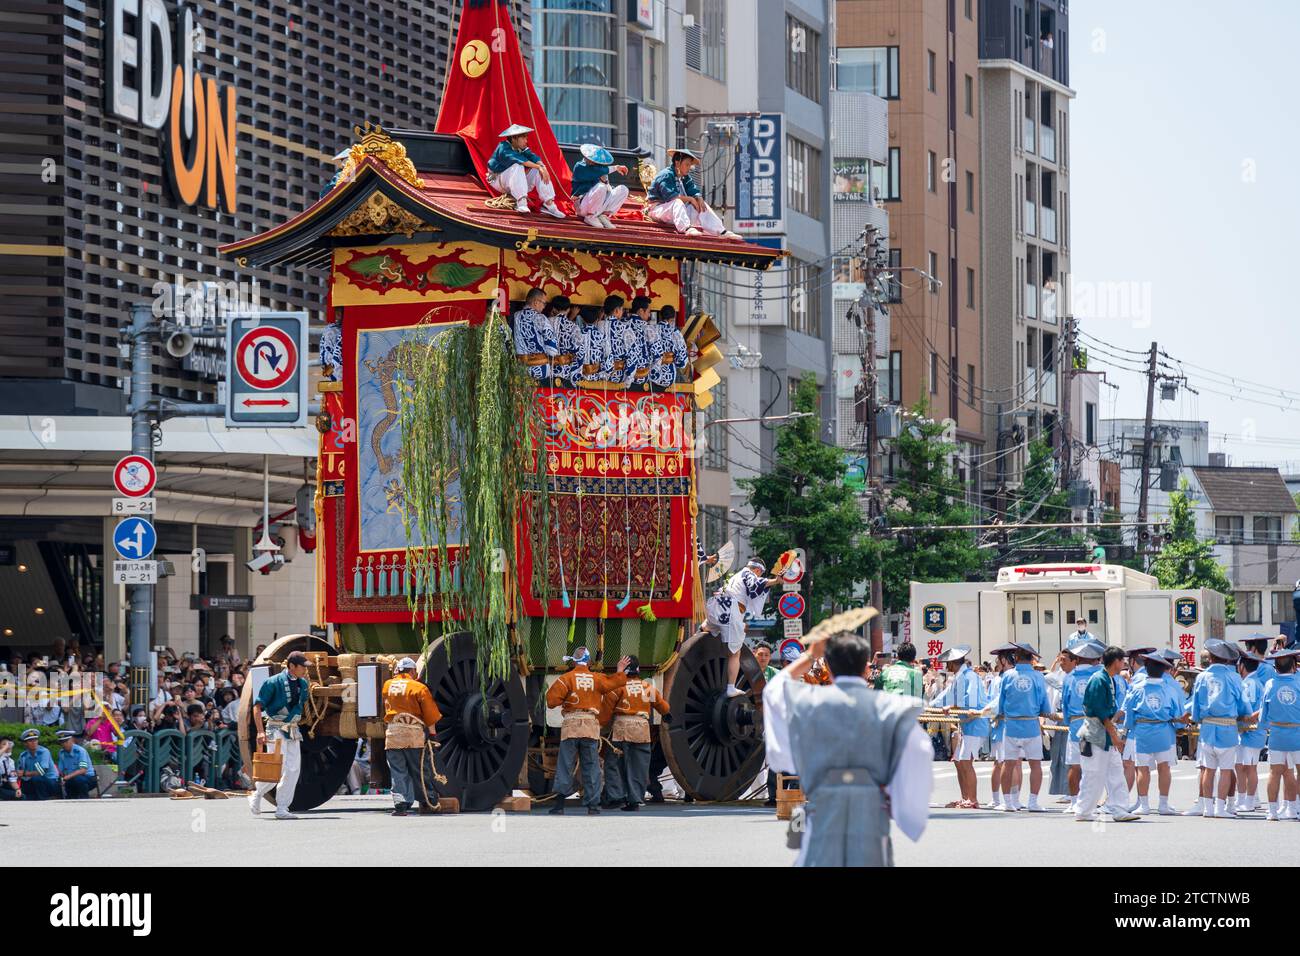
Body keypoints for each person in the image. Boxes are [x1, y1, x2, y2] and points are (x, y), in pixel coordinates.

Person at [762, 630, 931, 867]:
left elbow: (773, 692)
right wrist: (902, 807)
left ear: (828, 668)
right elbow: (919, 755)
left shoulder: (809, 703)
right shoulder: (893, 708)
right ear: (866, 668)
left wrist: (810, 655)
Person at [545, 647, 630, 814]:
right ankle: (593, 806)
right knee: (591, 765)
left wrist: (567, 702)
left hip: (571, 726)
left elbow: (551, 701)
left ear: (574, 661)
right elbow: (616, 682)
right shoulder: (596, 678)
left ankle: (559, 805)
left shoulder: (566, 678)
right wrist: (620, 670)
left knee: (565, 764)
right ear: (589, 662)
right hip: (590, 726)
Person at [1074, 646, 1140, 823]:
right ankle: (1083, 810)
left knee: (1116, 772)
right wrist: (1115, 735)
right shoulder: (1099, 679)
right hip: (1096, 732)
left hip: (1106, 733)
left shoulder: (1109, 679)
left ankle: (1119, 808)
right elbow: (1100, 712)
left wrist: (1113, 733)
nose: (1124, 665)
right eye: (1122, 661)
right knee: (1093, 774)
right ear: (1116, 662)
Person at [1186, 639, 1250, 818]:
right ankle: (1220, 808)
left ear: (1211, 657)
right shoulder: (1234, 677)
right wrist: (1245, 714)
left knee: (1208, 769)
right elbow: (1243, 705)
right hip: (1227, 728)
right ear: (1227, 660)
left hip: (1207, 728)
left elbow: (1195, 707)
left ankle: (1207, 807)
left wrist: (1199, 719)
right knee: (1226, 770)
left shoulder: (1201, 677)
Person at [1121, 650, 1190, 815]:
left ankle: (1144, 804)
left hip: (1142, 731)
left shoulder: (1136, 688)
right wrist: (1179, 729)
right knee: (1164, 768)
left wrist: (1129, 728)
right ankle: (1163, 804)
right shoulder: (1170, 689)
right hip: (1164, 731)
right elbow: (1178, 713)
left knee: (1142, 768)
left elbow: (1129, 715)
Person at [600, 656, 671, 811]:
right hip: (642, 730)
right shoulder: (647, 687)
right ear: (638, 670)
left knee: (613, 763)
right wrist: (666, 714)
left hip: (621, 730)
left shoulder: (617, 688)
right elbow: (663, 707)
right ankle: (635, 800)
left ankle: (616, 797)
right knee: (639, 766)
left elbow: (605, 715)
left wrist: (598, 725)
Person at [248, 650, 311, 820]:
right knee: (277, 767)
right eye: (302, 667)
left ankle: (282, 807)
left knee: (293, 769)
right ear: (292, 666)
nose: (305, 670)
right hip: (275, 728)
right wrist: (260, 731)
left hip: (293, 729)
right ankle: (257, 794)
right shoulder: (272, 682)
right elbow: (257, 706)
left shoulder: (303, 684)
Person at [381, 657, 443, 816]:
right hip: (413, 736)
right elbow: (430, 716)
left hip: (393, 736)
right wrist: (434, 736)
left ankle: (400, 804)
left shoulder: (387, 685)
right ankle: (429, 801)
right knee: (420, 770)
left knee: (398, 771)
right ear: (412, 671)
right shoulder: (419, 688)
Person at [994, 643, 1051, 811]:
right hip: (1031, 724)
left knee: (1009, 763)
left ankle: (1007, 802)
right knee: (1035, 764)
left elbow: (1001, 701)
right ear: (1032, 658)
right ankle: (1033, 802)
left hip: (1011, 724)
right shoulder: (1038, 676)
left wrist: (1000, 713)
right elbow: (1044, 703)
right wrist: (1045, 712)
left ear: (1016, 657)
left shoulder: (1008, 676)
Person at [931, 646, 988, 809]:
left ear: (954, 663)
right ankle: (965, 797)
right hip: (966, 725)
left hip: (976, 723)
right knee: (958, 761)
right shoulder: (959, 677)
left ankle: (973, 799)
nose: (946, 667)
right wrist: (929, 706)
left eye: (947, 663)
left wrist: (952, 706)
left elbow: (970, 700)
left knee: (965, 761)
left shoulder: (971, 676)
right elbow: (945, 696)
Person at [645, 149, 740, 239]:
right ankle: (687, 228)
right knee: (677, 202)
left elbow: (692, 189)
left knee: (700, 204)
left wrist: (698, 197)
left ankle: (721, 231)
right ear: (677, 163)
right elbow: (671, 197)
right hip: (657, 210)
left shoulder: (684, 177)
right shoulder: (666, 175)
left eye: (690, 165)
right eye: (687, 164)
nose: (689, 168)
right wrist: (690, 199)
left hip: (673, 213)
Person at [721, 558, 780, 698]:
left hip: (718, 607)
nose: (758, 576)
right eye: (759, 574)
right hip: (733, 610)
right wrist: (775, 581)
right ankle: (730, 687)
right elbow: (756, 586)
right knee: (735, 652)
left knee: (707, 628)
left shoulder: (734, 576)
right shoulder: (749, 574)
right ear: (758, 570)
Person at [1058, 640, 1103, 814]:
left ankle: (1074, 802)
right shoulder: (1100, 675)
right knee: (1094, 766)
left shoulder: (1070, 677)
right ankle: (1092, 802)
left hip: (1076, 723)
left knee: (1074, 765)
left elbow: (1065, 704)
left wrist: (1069, 721)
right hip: (1095, 723)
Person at [486, 124, 564, 218]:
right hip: (497, 181)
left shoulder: (521, 148)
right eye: (523, 138)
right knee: (518, 165)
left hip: (512, 181)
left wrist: (542, 167)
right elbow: (520, 160)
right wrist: (539, 167)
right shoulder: (503, 147)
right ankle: (521, 202)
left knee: (537, 169)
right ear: (514, 138)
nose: (526, 141)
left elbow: (533, 157)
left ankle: (548, 203)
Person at [1260, 647, 1300, 821]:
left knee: (1274, 772)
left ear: (1275, 667)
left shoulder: (1270, 684)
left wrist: (1263, 726)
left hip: (1276, 732)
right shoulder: (1299, 682)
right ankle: (1294, 807)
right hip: (1297, 732)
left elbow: (1263, 713)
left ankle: (1272, 811)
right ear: (1294, 665)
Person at [982, 644, 1020, 810]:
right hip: (1012, 724)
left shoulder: (1003, 679)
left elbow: (994, 702)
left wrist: (984, 711)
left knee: (1006, 763)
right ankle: (1004, 799)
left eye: (999, 660)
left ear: (1004, 660)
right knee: (1008, 763)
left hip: (1005, 723)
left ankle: (1010, 800)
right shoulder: (1004, 678)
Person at [1235, 649, 1268, 814]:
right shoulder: (1251, 682)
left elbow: (1248, 710)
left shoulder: (1251, 684)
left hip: (1251, 731)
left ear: (1242, 666)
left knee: (1250, 767)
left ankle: (1249, 801)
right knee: (1241, 766)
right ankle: (1244, 799)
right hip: (1245, 731)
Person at [570, 143, 629, 228]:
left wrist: (606, 182)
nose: (591, 160)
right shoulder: (580, 166)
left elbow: (607, 189)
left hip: (598, 206)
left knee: (623, 189)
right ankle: (590, 216)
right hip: (582, 205)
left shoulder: (601, 169)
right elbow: (597, 172)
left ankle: (603, 216)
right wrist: (616, 168)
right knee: (601, 187)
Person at [637, 301, 688, 392]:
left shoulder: (649, 329)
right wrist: (670, 357)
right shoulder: (676, 334)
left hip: (649, 377)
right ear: (673, 318)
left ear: (660, 316)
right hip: (668, 380)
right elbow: (682, 362)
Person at [1043, 649, 1073, 800]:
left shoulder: (1075, 677)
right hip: (1058, 719)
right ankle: (1063, 789)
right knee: (1058, 756)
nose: (1062, 662)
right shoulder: (1056, 677)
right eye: (1060, 659)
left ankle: (1071, 791)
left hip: (1072, 719)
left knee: (1071, 757)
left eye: (1065, 659)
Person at [512, 287, 558, 382]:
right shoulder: (540, 318)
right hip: (540, 371)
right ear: (536, 302)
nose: (544, 306)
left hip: (520, 370)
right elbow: (552, 350)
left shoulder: (515, 316)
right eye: (544, 303)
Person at [547, 296, 583, 386]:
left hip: (546, 371)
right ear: (568, 310)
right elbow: (579, 352)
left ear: (554, 309)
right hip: (565, 372)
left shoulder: (546, 322)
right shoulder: (573, 327)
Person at [15, 727, 60, 800]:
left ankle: (44, 799)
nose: (33, 742)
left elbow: (42, 772)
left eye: (35, 740)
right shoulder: (23, 756)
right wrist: (17, 774)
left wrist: (25, 773)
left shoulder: (44, 752)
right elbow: (20, 772)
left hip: (50, 781)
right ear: (25, 743)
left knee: (37, 778)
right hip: (34, 782)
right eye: (30, 740)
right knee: (25, 783)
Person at [55, 729, 97, 799]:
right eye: (61, 742)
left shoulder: (80, 751)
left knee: (78, 779)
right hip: (71, 779)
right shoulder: (61, 753)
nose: (64, 744)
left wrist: (67, 777)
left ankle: (84, 799)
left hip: (88, 778)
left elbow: (83, 770)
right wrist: (61, 778)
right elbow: (61, 770)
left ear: (72, 740)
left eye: (66, 741)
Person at [577, 304, 614, 385]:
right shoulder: (602, 337)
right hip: (596, 380)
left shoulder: (577, 335)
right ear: (597, 320)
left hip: (579, 379)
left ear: (582, 319)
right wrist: (604, 374)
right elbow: (609, 360)